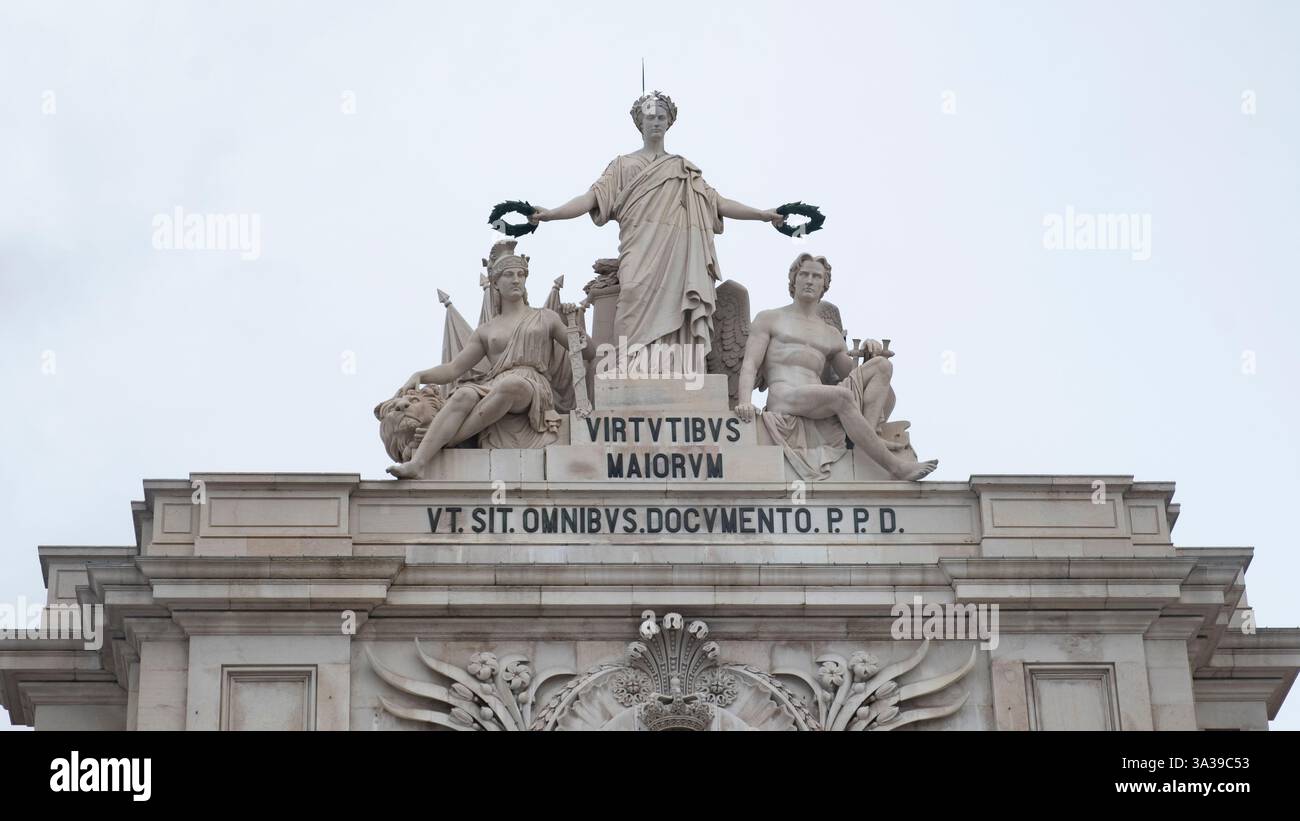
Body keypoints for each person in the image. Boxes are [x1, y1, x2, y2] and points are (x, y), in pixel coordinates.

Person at [527, 91, 785, 361]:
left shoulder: (683, 169)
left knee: (676, 300)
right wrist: (552, 214)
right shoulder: (622, 165)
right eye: (650, 117)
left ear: (669, 122)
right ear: (640, 122)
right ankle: (628, 364)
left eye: (661, 117)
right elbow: (590, 198)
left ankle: (676, 367)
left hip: (677, 252)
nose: (656, 122)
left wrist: (762, 215)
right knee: (631, 293)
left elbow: (718, 203)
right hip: (638, 247)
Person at [386, 242, 592, 478]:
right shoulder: (486, 330)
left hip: (532, 386)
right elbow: (453, 369)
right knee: (464, 394)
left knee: (511, 385)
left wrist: (574, 324)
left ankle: (448, 440)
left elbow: (586, 351)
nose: (516, 280)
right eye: (509, 275)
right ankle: (418, 463)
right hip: (496, 383)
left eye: (521, 275)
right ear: (495, 283)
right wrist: (420, 375)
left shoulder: (546, 317)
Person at [735, 253, 938, 481]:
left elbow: (853, 376)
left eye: (816, 276)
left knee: (882, 366)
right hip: (784, 397)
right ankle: (896, 467)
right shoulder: (769, 318)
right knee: (841, 396)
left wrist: (869, 354)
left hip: (818, 399)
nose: (809, 280)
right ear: (793, 280)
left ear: (824, 285)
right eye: (804, 274)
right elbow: (750, 363)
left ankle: (867, 437)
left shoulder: (830, 333)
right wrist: (744, 401)